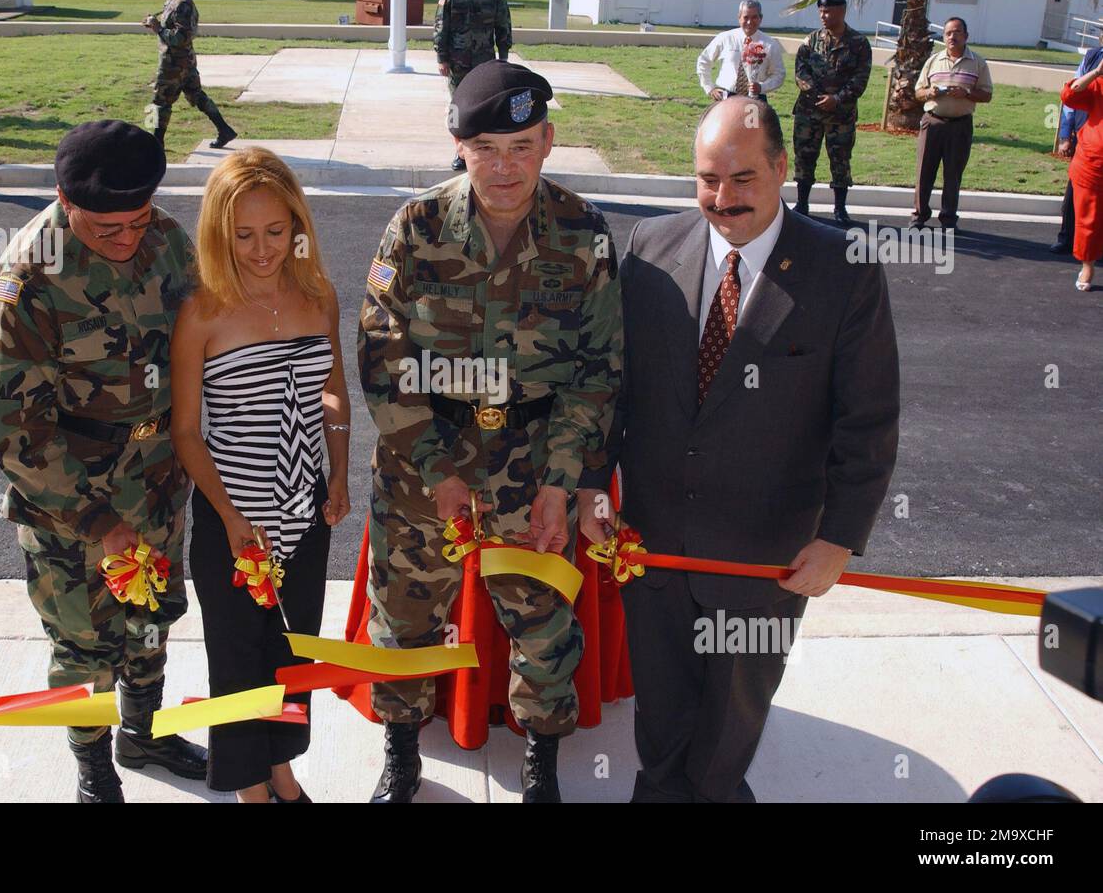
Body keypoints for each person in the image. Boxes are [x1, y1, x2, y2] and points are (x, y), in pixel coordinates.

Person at [578, 96, 900, 802]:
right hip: (653, 545)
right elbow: (612, 387)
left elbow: (868, 419)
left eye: (742, 180)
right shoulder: (650, 251)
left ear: (781, 168)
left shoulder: (843, 268)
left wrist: (840, 538)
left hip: (764, 559)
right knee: (662, 718)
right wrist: (593, 484)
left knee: (727, 730)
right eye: (706, 180)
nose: (722, 200)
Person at [359, 61, 622, 803]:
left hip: (534, 460)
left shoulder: (583, 233)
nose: (505, 167)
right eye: (486, 148)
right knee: (406, 610)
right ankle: (402, 750)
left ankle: (541, 761)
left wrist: (562, 481)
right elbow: (382, 359)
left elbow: (598, 371)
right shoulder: (415, 228)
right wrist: (437, 470)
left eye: (522, 146)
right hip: (424, 460)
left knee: (541, 619)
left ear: (547, 141)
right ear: (458, 143)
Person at [0, 119, 208, 802]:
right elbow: (18, 430)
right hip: (72, 501)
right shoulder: (29, 278)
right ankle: (92, 766)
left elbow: (198, 347)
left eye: (136, 220)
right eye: (107, 228)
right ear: (63, 198)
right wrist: (99, 519)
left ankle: (142, 733)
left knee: (150, 619)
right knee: (84, 643)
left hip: (159, 480)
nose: (127, 238)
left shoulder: (166, 240)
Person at [172, 148, 351, 803]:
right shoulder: (202, 312)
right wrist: (230, 516)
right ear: (220, 232)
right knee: (239, 657)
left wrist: (338, 469)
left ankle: (282, 767)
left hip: (305, 512)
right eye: (242, 235)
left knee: (292, 650)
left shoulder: (320, 295)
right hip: (232, 517)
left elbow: (333, 389)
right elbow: (187, 430)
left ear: (297, 224)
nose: (260, 248)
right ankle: (250, 786)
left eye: (275, 231)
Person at [792, 0, 872, 225]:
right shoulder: (811, 41)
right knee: (804, 157)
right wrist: (817, 95)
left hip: (841, 115)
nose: (824, 16)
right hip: (809, 111)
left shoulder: (858, 43)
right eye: (821, 12)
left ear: (842, 11)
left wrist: (837, 99)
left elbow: (860, 78)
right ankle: (802, 203)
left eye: (829, 12)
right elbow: (800, 72)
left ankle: (839, 208)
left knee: (840, 160)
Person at [910, 17, 992, 231]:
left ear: (966, 36)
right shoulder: (934, 60)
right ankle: (919, 217)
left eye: (956, 33)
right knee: (924, 172)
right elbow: (918, 92)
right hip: (933, 123)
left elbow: (987, 95)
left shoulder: (977, 62)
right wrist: (929, 92)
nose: (952, 37)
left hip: (960, 126)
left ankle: (948, 220)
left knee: (953, 174)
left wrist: (966, 93)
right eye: (948, 33)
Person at [144, 0, 235, 151]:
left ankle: (156, 145)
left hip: (174, 64)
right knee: (197, 96)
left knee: (160, 102)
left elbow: (180, 37)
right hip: (184, 62)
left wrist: (157, 27)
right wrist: (156, 24)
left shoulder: (183, 4)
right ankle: (224, 130)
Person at [433, 0, 511, 171]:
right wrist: (442, 57)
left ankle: (481, 151)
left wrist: (503, 55)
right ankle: (460, 153)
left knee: (483, 108)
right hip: (458, 66)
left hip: (484, 64)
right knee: (458, 109)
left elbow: (503, 24)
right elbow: (441, 25)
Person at [1051, 42, 1103, 254]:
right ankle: (1066, 238)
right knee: (1073, 197)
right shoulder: (1092, 57)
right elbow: (1070, 98)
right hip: (1086, 140)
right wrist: (1065, 135)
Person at [1060, 54, 1103, 291]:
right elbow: (1069, 95)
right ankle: (1088, 265)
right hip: (1093, 165)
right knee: (1089, 221)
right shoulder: (1097, 84)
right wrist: (1097, 72)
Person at [695, 0, 785, 104]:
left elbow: (779, 74)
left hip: (756, 99)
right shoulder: (725, 38)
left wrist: (762, 87)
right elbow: (704, 60)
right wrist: (709, 88)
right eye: (746, 17)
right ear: (739, 17)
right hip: (726, 98)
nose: (749, 22)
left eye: (754, 17)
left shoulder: (770, 44)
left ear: (761, 18)